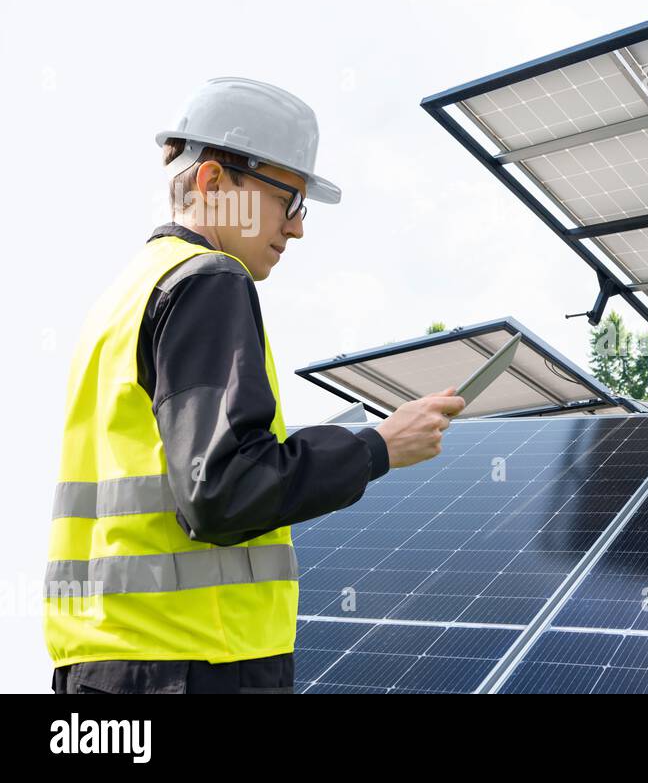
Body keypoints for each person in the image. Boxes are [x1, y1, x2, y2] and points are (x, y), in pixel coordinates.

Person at [46, 77, 464, 693]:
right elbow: (222, 490)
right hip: (196, 662)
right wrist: (377, 446)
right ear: (215, 184)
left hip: (101, 668)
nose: (296, 229)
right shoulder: (209, 279)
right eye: (289, 200)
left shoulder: (123, 296)